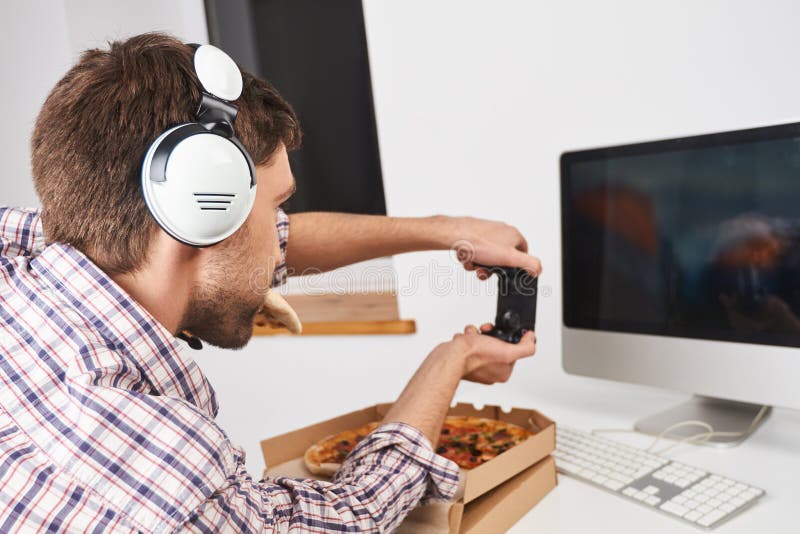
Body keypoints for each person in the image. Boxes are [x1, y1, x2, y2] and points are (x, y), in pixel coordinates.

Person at [0, 33, 541, 532]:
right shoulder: (168, 489)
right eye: (278, 202)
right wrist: (452, 359)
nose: (281, 232)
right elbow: (353, 517)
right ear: (200, 210)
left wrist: (448, 231)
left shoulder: (21, 248)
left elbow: (263, 242)